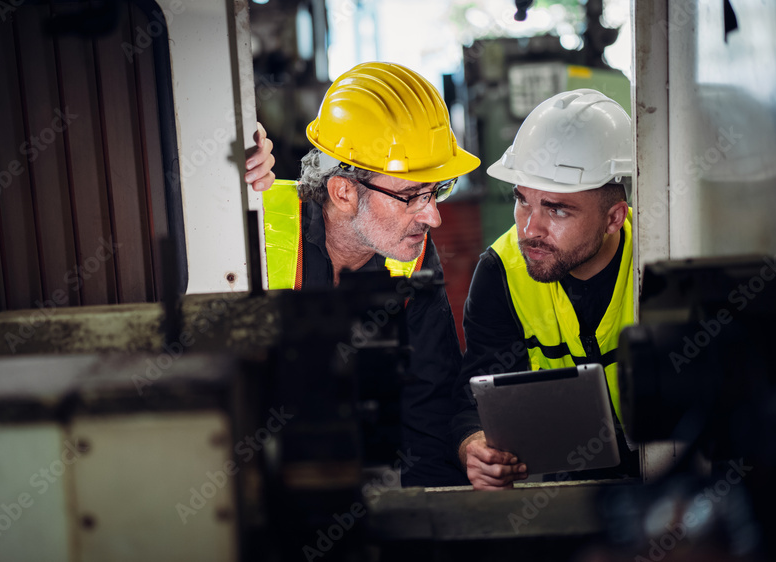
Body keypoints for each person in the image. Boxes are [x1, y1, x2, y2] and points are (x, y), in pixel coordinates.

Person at [252, 62, 481, 486]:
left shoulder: (407, 254)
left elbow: (428, 407)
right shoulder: (253, 234)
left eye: (436, 192)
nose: (433, 217)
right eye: (412, 196)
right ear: (343, 191)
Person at [448, 89, 639, 490]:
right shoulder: (501, 272)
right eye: (522, 202)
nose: (529, 229)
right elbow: (475, 396)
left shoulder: (659, 255)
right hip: (568, 489)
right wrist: (474, 446)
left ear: (613, 218)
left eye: (556, 209)